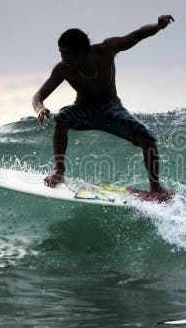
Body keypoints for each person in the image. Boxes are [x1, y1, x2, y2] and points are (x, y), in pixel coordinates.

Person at [32, 15, 175, 199]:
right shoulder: (63, 69)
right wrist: (40, 109)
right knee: (62, 117)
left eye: (68, 54)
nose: (64, 58)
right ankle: (59, 170)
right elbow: (38, 96)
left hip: (112, 107)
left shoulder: (106, 51)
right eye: (61, 53)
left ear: (83, 50)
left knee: (148, 140)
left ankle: (156, 188)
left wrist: (158, 26)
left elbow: (137, 35)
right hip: (85, 108)